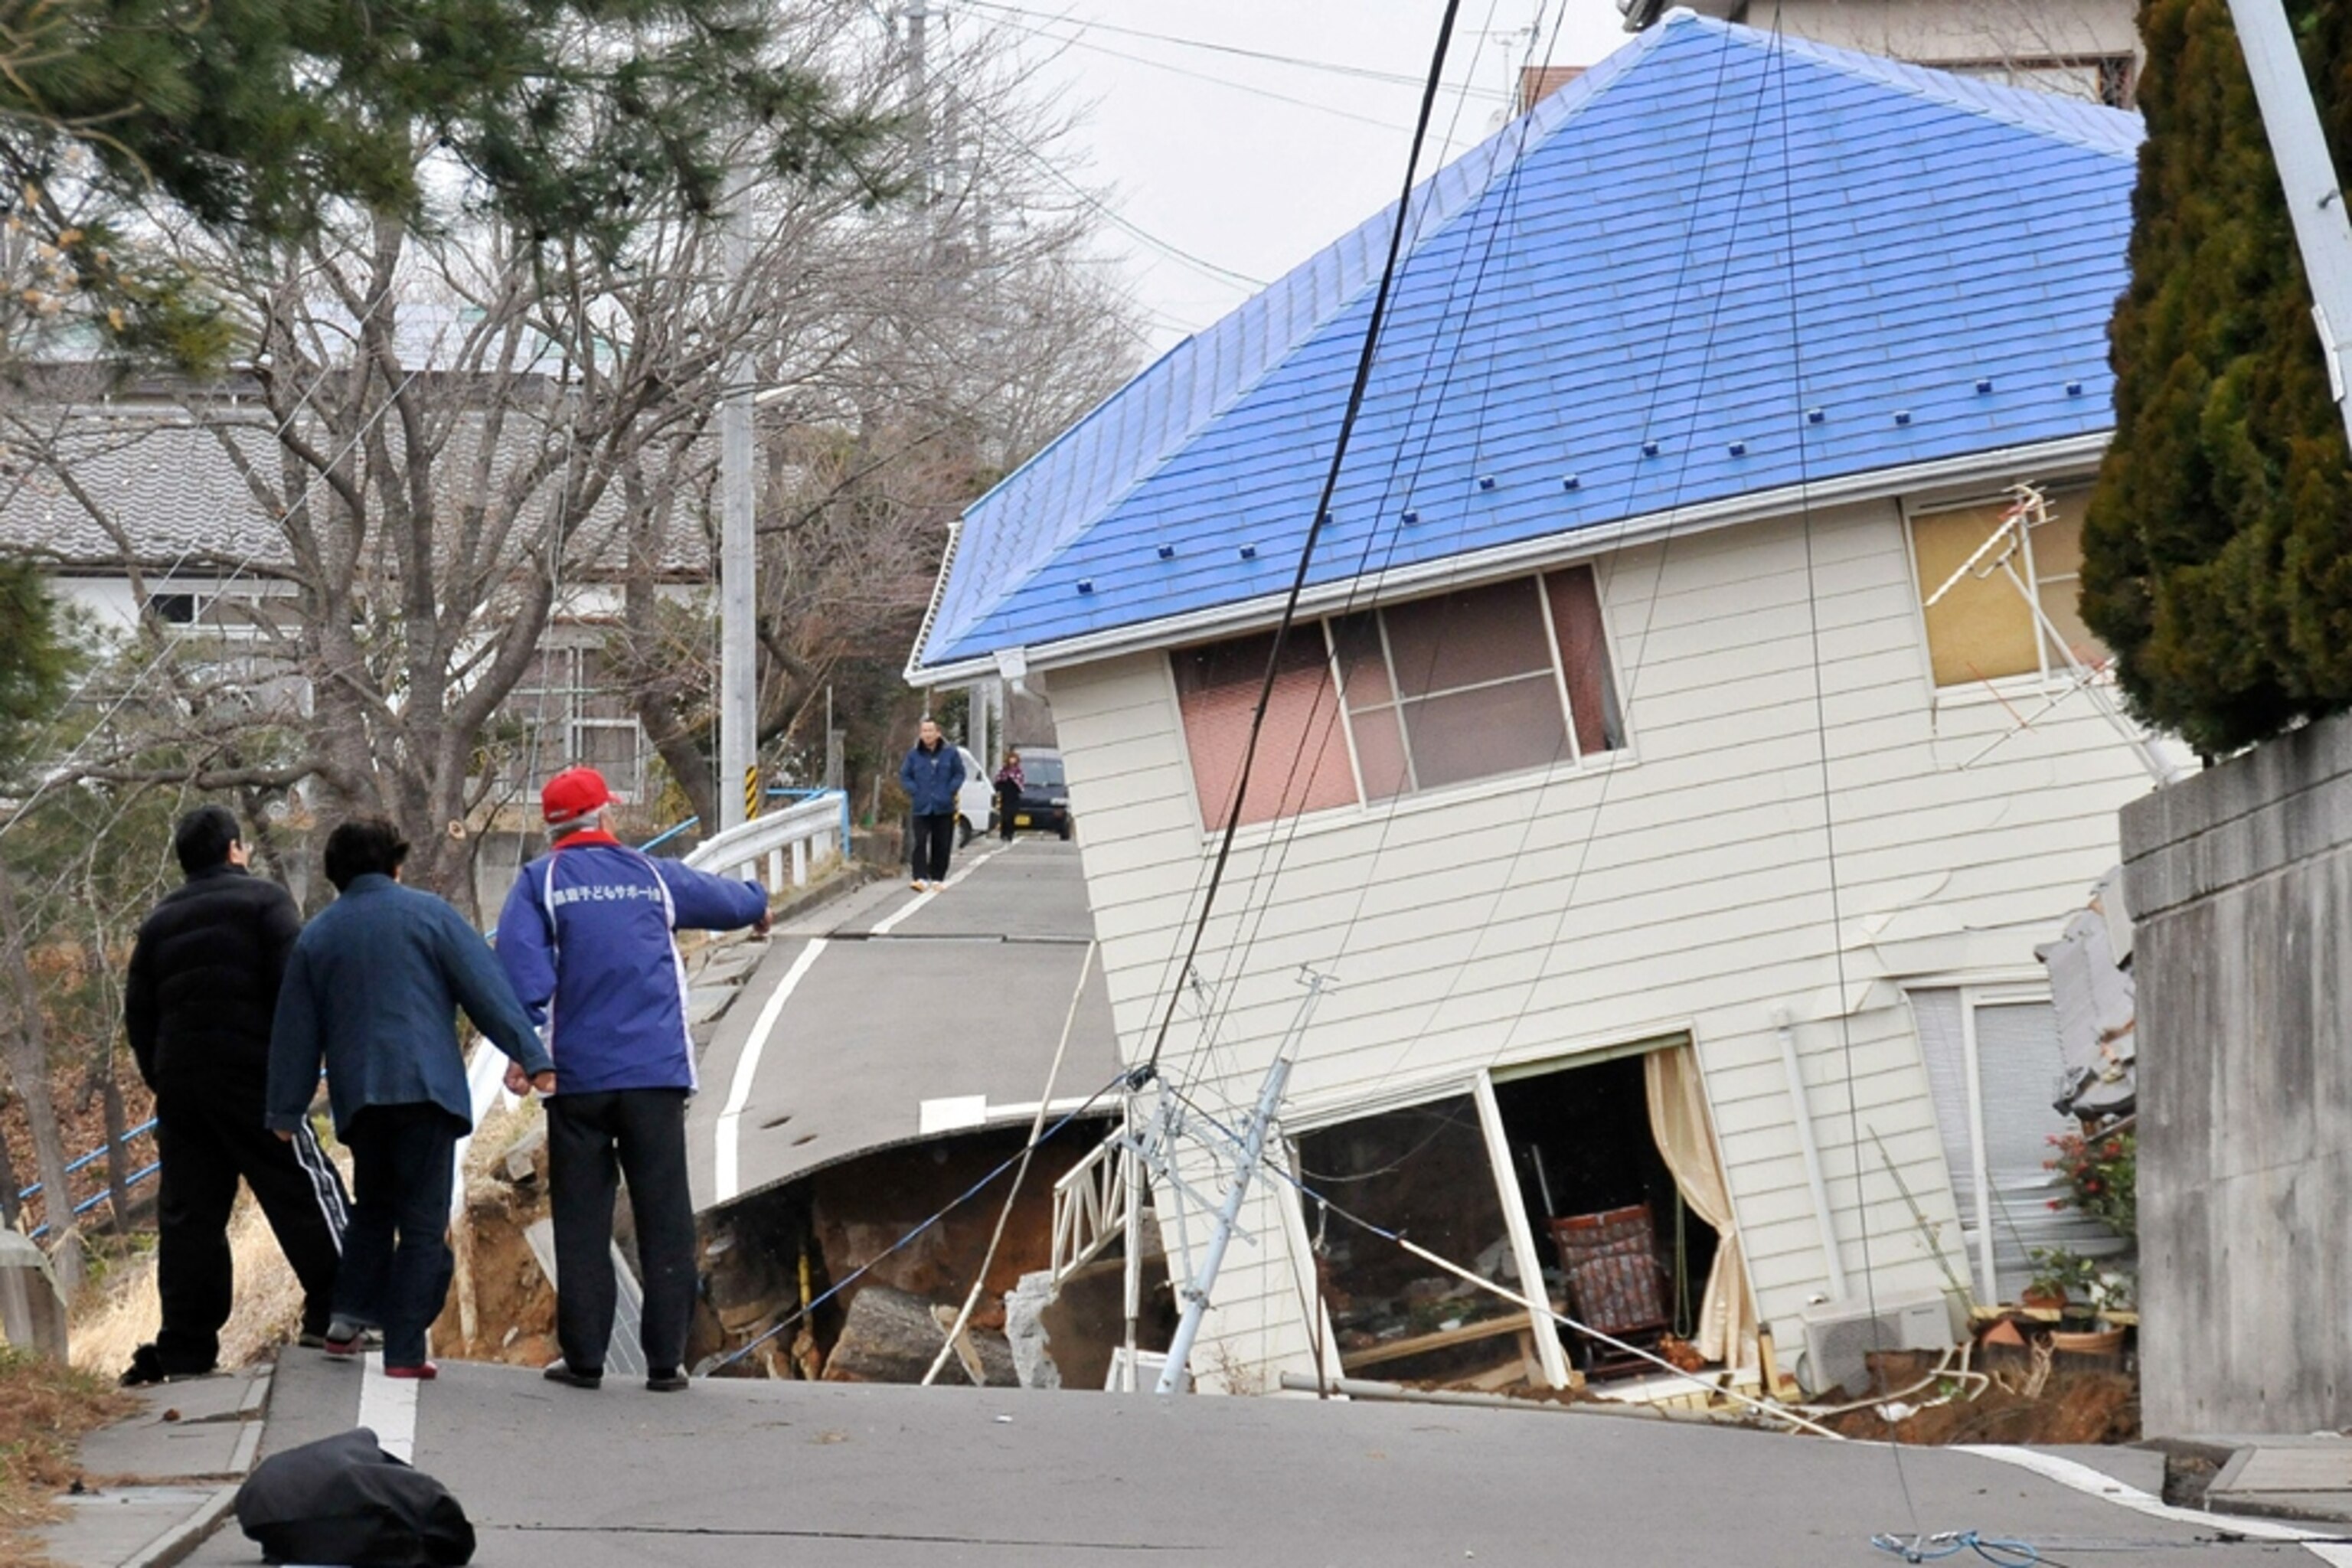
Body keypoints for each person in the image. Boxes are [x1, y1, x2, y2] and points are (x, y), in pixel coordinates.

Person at [494, 766, 770, 1393]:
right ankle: (665, 1362)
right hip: (655, 1074)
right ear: (605, 818)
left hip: (577, 1080)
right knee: (664, 1214)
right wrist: (758, 905)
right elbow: (723, 900)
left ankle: (586, 1357)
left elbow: (522, 976)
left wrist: (521, 1049)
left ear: (551, 827)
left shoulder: (541, 882)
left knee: (582, 1219)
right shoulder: (649, 874)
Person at [266, 818, 554, 1381]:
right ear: (395, 865)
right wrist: (533, 1055)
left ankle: (346, 1319)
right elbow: (485, 989)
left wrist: (285, 1109)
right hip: (427, 1091)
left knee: (372, 1208)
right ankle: (403, 1349)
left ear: (335, 876)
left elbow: (295, 1032)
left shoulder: (318, 936)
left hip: (363, 1099)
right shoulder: (431, 915)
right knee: (422, 1224)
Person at [118, 806, 351, 1387]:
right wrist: (299, 1070)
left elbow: (139, 1015)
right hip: (255, 1076)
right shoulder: (265, 902)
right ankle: (341, 1307)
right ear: (233, 850)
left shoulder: (158, 922)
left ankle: (188, 1345)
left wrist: (162, 1078)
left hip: (183, 1088)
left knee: (190, 1216)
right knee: (299, 1186)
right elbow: (295, 989)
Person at [897, 717, 965, 890]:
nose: (927, 734)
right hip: (921, 806)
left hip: (944, 806)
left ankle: (937, 877)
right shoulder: (913, 755)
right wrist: (915, 790)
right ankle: (919, 877)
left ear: (938, 733)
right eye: (924, 731)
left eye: (930, 731)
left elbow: (959, 773)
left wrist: (951, 790)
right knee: (920, 841)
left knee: (942, 843)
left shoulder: (951, 753)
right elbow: (905, 776)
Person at [991, 750, 1024, 844]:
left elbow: (1020, 784)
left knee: (1012, 816)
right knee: (1005, 816)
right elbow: (998, 781)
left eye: (1014, 758)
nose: (1012, 760)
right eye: (1011, 758)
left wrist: (1015, 783)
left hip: (1014, 797)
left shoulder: (1019, 771)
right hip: (1005, 796)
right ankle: (1004, 833)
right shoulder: (1004, 770)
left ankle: (1010, 833)